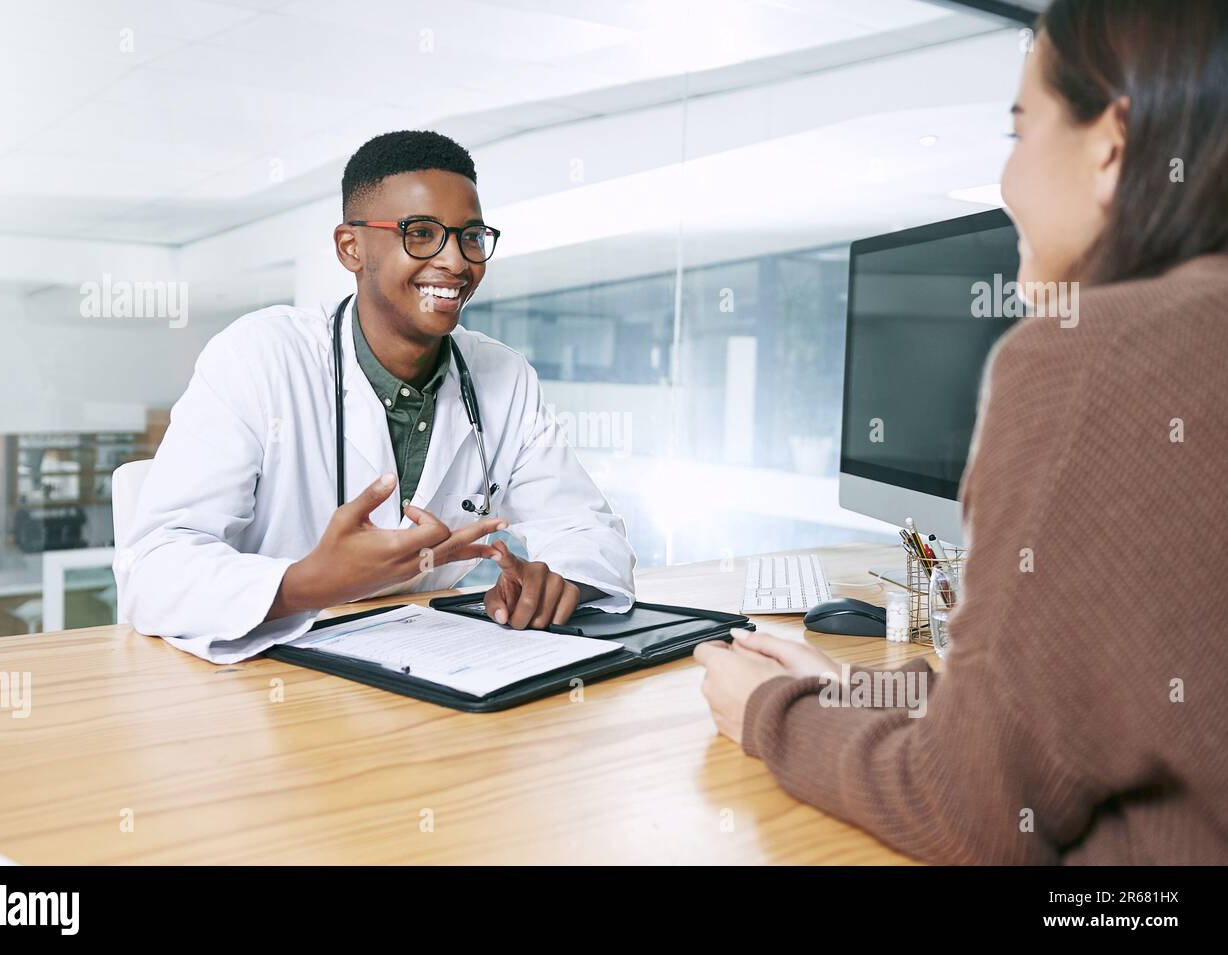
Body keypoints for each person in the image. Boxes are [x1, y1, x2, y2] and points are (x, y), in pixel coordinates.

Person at [696, 0, 1228, 864]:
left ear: (1111, 144)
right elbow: (1082, 718)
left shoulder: (1092, 356)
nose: (1009, 181)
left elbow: (970, 809)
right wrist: (861, 691)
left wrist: (770, 714)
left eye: (1020, 135)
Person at [116, 131, 636, 663]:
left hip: (437, 673)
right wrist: (307, 584)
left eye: (472, 237)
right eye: (422, 233)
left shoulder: (504, 375)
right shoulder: (258, 356)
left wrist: (556, 582)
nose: (456, 262)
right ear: (351, 248)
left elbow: (587, 530)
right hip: (267, 684)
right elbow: (153, 568)